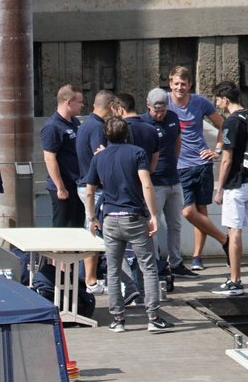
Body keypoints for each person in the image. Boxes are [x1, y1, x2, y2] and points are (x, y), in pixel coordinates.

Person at [89, 114, 166, 334]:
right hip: (134, 217)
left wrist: (92, 217)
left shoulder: (99, 158)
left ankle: (118, 319)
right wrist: (153, 214)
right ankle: (153, 317)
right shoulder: (137, 153)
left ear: (106, 135)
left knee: (112, 270)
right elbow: (146, 184)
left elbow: (90, 190)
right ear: (127, 134)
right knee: (148, 267)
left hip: (111, 218)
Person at [165, 66, 226, 272]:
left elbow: (223, 125)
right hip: (179, 166)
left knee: (201, 210)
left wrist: (216, 150)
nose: (179, 87)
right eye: (176, 84)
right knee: (187, 211)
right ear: (170, 84)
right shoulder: (164, 101)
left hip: (201, 164)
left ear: (189, 84)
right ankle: (224, 240)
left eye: (183, 84)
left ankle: (197, 256)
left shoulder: (200, 102)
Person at [210, 81, 248, 296]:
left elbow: (227, 160)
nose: (217, 104)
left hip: (236, 184)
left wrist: (219, 188)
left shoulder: (231, 123)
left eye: (218, 100)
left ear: (225, 99)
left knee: (234, 231)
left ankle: (235, 281)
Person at [139, 87, 182, 283]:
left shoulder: (172, 118)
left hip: (173, 179)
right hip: (155, 182)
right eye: (156, 111)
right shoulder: (143, 123)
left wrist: (175, 160)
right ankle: (155, 263)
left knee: (175, 224)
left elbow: (178, 140)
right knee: (153, 225)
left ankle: (176, 261)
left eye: (162, 110)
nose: (159, 114)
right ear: (148, 106)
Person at [75, 90, 117, 291]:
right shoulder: (98, 128)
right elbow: (100, 158)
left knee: (92, 232)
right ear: (110, 106)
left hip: (86, 185)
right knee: (94, 233)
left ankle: (90, 279)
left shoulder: (86, 124)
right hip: (94, 189)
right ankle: (90, 280)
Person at [40, 83, 85, 230]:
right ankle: (58, 253)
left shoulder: (75, 122)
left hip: (76, 183)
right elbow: (49, 158)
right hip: (63, 185)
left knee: (78, 225)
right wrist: (60, 187)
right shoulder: (53, 126)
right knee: (63, 227)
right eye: (79, 102)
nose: (82, 105)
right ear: (69, 103)